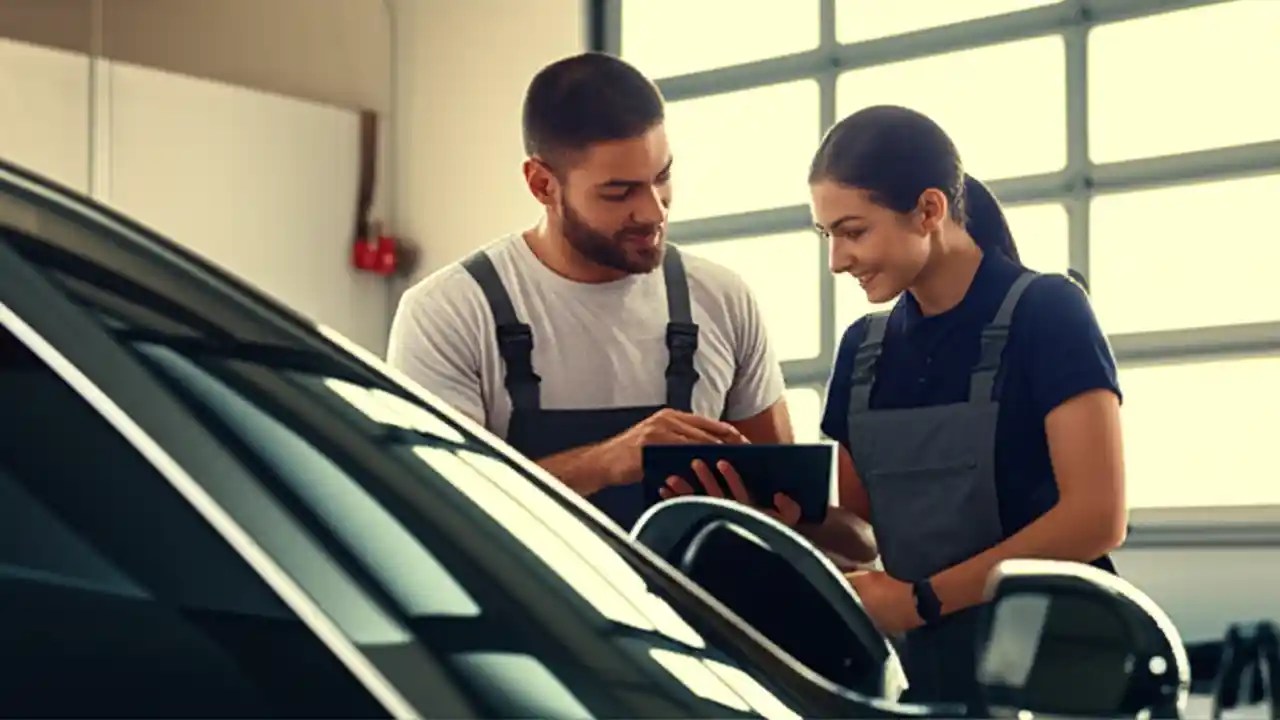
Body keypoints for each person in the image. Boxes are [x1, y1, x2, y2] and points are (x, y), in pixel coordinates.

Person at [671, 104, 1128, 703]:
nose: (837, 260)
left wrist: (921, 599)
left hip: (1057, 666)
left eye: (854, 231)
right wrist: (784, 519)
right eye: (827, 235)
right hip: (927, 673)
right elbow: (864, 533)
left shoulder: (1048, 312)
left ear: (930, 211)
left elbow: (1096, 517)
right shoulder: (863, 350)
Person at [384, 52, 876, 561]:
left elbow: (805, 518)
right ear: (541, 185)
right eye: (619, 193)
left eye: (661, 177)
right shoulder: (451, 312)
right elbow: (437, 509)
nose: (653, 211)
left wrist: (771, 513)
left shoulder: (722, 300)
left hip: (702, 627)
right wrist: (607, 463)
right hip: (530, 630)